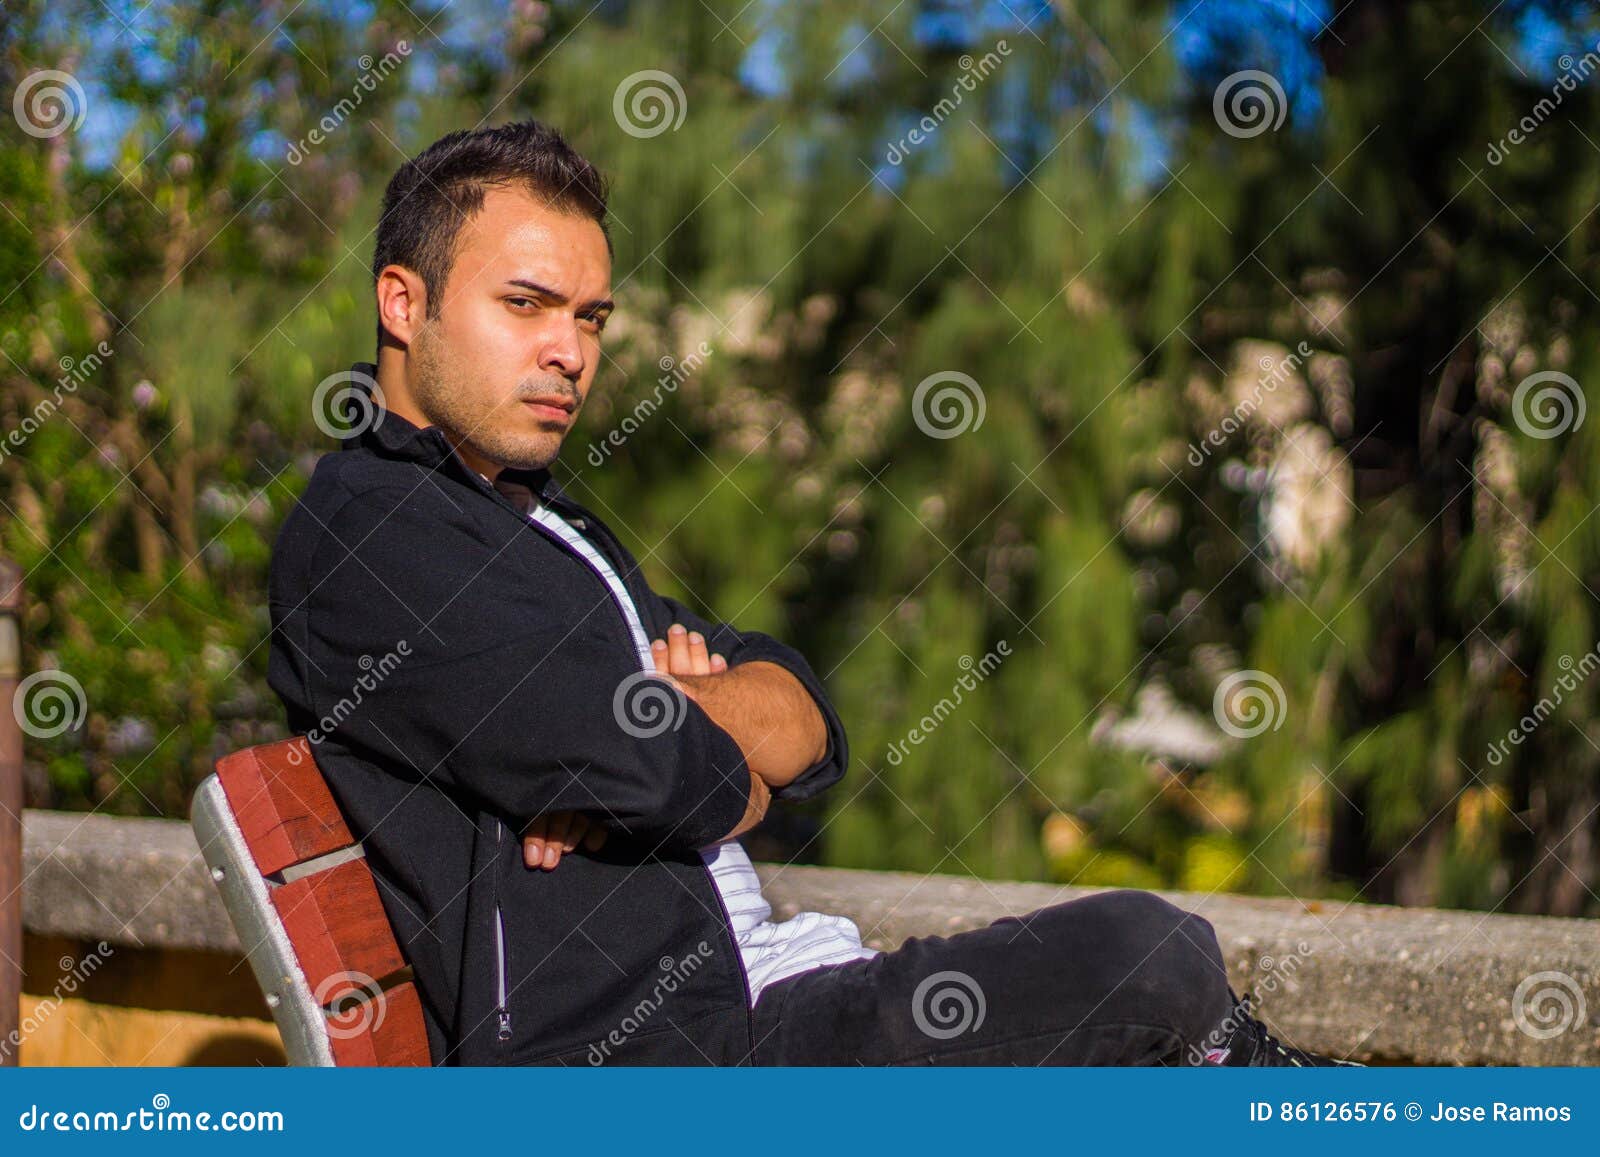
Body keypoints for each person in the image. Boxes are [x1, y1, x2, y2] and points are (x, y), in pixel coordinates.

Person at [266, 119, 1358, 1067]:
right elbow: (649, 761)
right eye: (527, 304)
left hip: (760, 993)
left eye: (591, 317)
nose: (569, 352)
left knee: (1149, 990)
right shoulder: (375, 534)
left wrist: (694, 733)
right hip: (663, 1056)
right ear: (404, 303)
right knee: (1144, 958)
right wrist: (712, 763)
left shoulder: (537, 520)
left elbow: (805, 708)